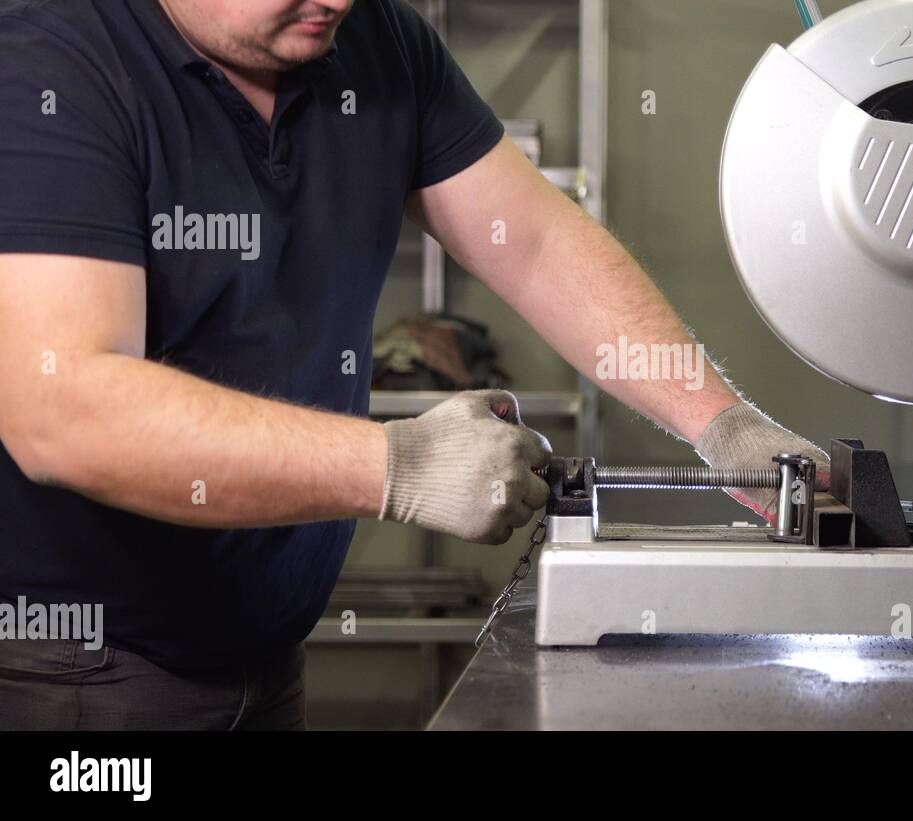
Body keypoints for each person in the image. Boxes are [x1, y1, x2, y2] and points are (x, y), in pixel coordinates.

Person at [0, 0, 825, 729]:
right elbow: (64, 407)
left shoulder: (372, 42)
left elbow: (533, 244)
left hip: (264, 660)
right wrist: (400, 464)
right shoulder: (51, 59)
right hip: (75, 676)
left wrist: (721, 421)